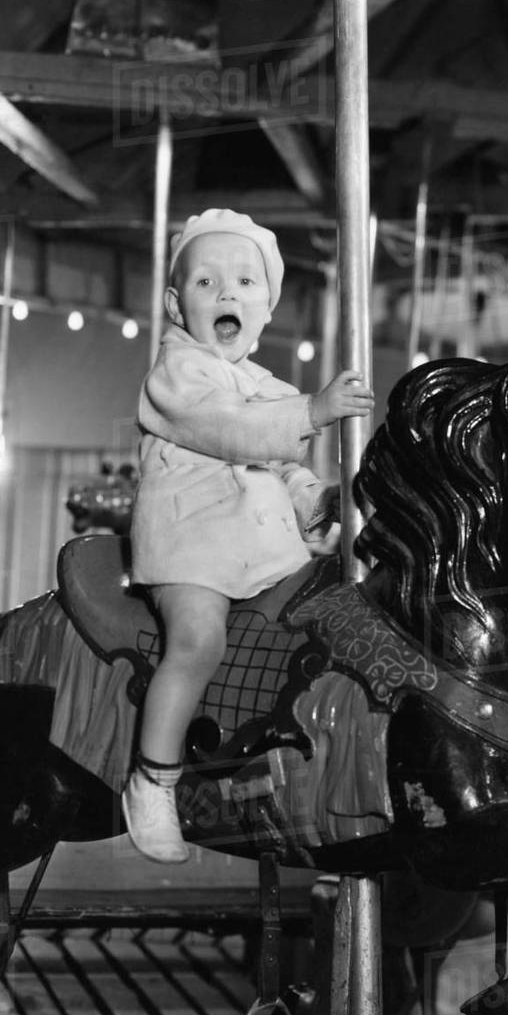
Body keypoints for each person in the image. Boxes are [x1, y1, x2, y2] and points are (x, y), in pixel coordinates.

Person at [125, 208, 374, 863]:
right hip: (191, 550)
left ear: (266, 308)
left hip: (265, 558)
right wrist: (315, 412)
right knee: (198, 638)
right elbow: (227, 428)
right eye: (207, 284)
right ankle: (153, 780)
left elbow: (284, 466)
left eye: (244, 282)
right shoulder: (176, 375)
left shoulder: (269, 388)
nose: (227, 293)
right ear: (178, 307)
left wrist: (321, 498)